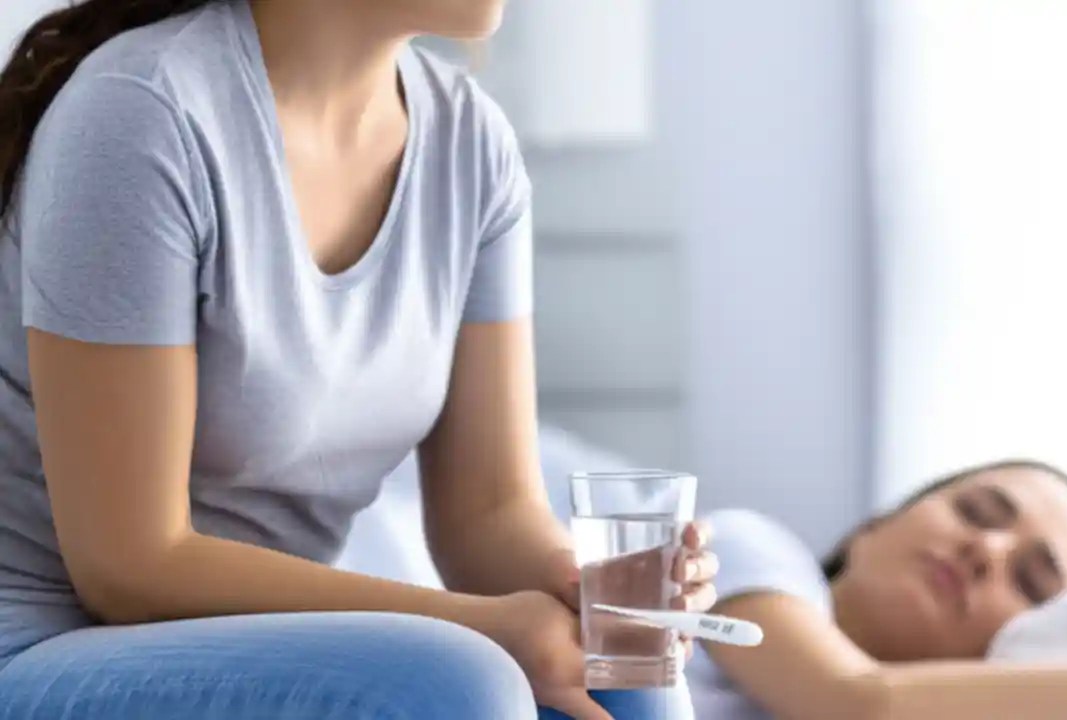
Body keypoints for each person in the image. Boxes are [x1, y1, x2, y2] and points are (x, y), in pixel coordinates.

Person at [0, 1, 717, 718]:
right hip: (42, 643)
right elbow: (130, 568)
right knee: (463, 682)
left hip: (254, 640)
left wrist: (596, 590)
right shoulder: (141, 113)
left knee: (631, 674)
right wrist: (485, 626)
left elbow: (490, 516)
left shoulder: (472, 145)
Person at [686, 459, 1067, 719]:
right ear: (875, 524)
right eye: (976, 511)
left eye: (1029, 581)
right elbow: (859, 702)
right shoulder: (746, 547)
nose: (987, 549)